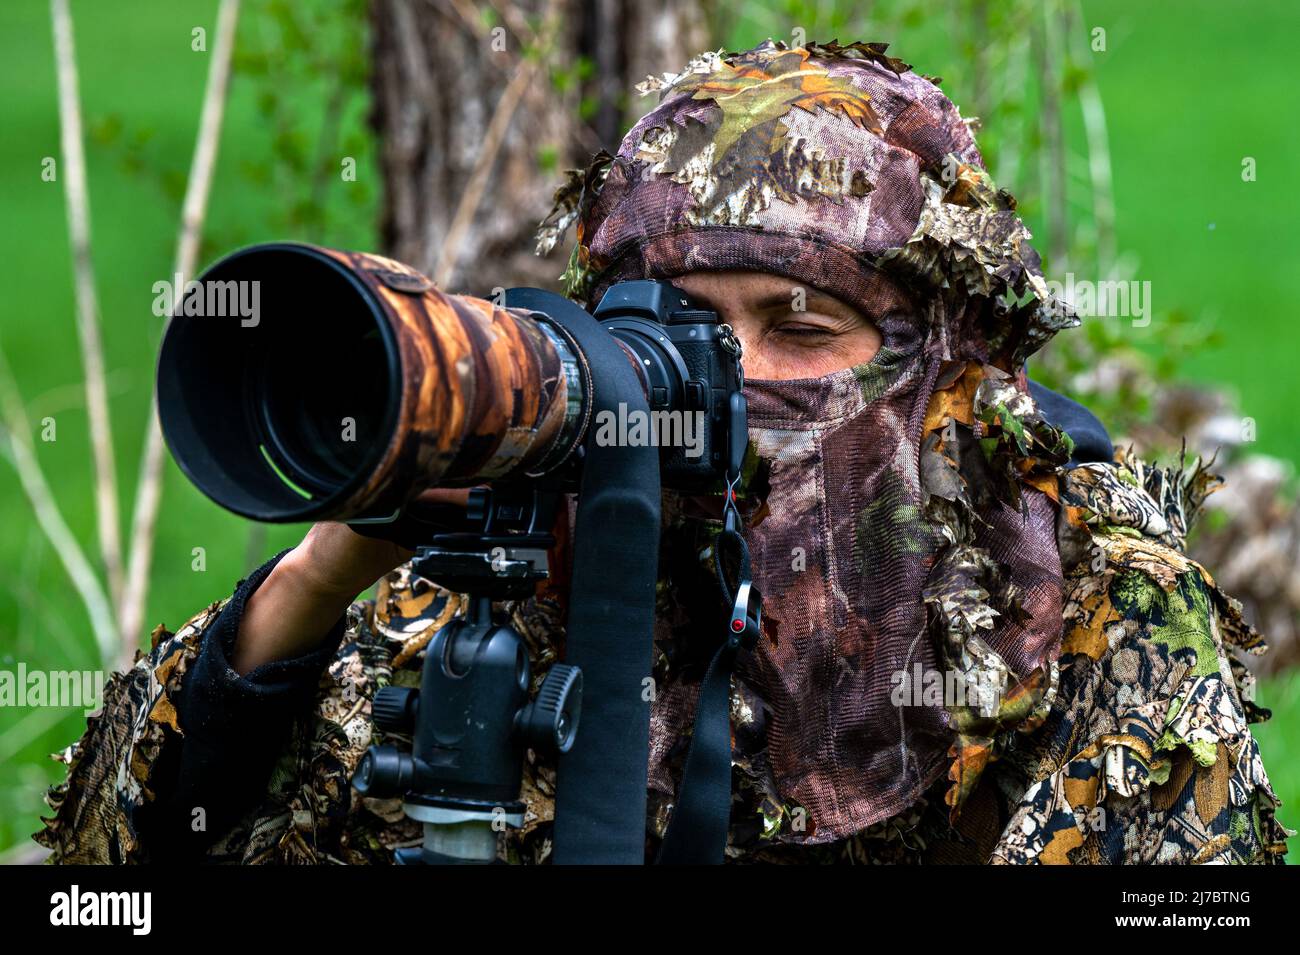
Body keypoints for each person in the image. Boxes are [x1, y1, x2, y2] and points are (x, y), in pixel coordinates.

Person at [36, 39, 1288, 864]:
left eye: (800, 326)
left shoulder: (1080, 594)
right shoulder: (518, 574)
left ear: (940, 359)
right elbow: (110, 877)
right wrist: (318, 580)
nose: (725, 377)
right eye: (678, 324)